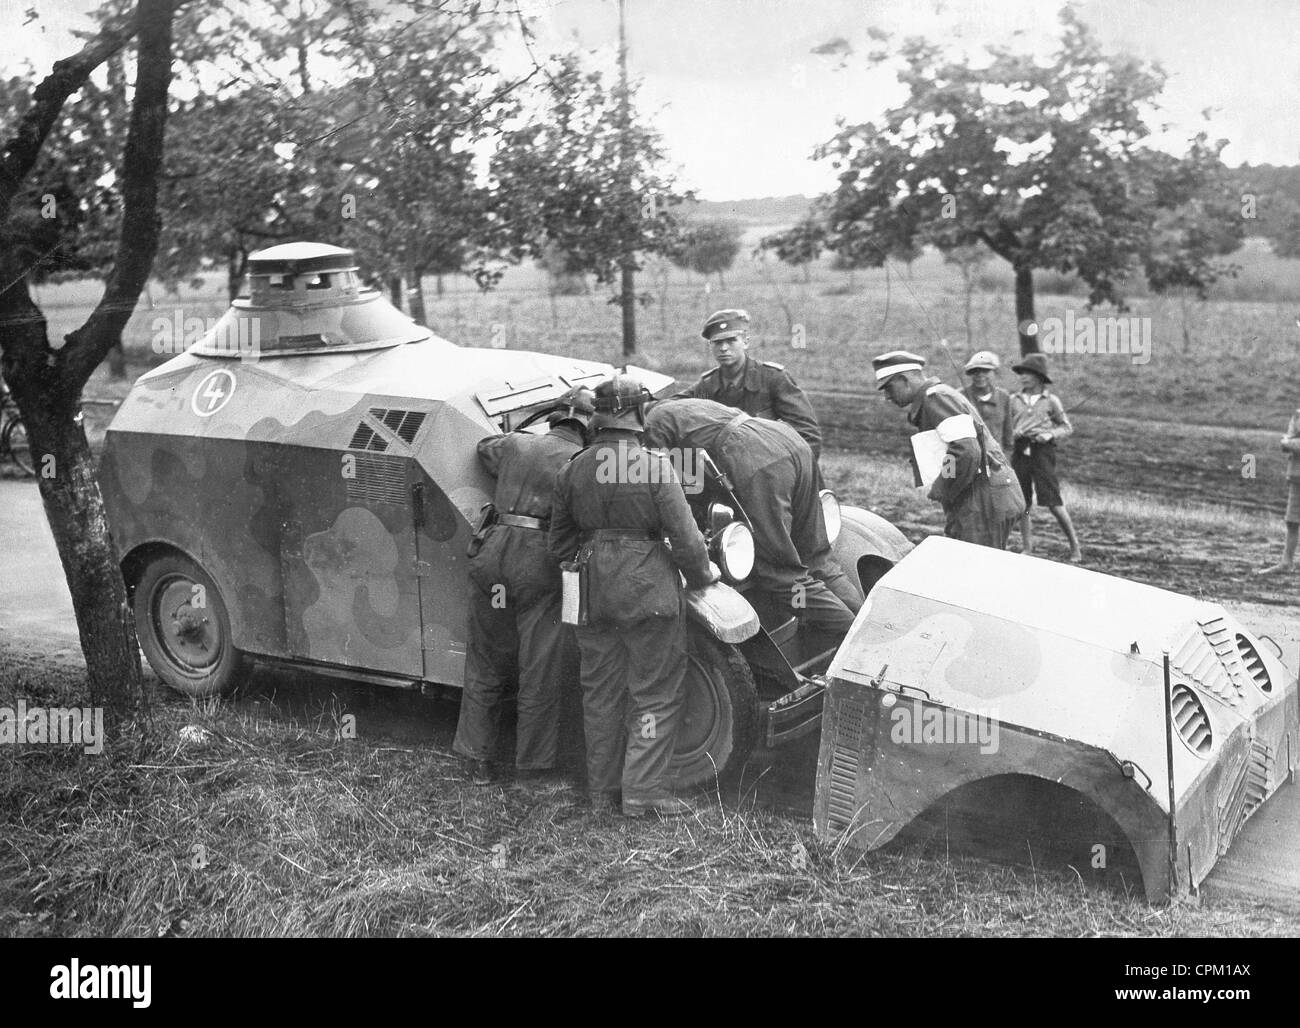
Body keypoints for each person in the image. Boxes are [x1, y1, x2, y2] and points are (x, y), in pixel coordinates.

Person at [549, 375, 717, 818]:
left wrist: (592, 560)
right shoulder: (655, 465)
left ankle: (602, 793)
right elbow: (686, 539)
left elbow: (559, 544)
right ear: (638, 413)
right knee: (655, 692)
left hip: (589, 595)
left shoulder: (573, 467)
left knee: (600, 693)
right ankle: (643, 794)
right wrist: (702, 574)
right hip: (648, 592)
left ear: (602, 416)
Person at [452, 387, 594, 785]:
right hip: (539, 563)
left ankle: (476, 761)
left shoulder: (516, 444)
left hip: (492, 553)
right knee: (539, 666)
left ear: (555, 418)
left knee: (484, 659)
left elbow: (484, 447)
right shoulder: (581, 461)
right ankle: (531, 770)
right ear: (587, 427)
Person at [643, 397, 862, 635]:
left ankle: (847, 634)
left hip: (756, 462)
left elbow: (665, 490)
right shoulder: (683, 408)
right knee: (818, 558)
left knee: (783, 576)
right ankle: (866, 627)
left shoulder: (651, 424)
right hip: (788, 442)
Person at [874, 349, 1024, 549]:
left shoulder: (936, 398)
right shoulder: (936, 396)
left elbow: (965, 450)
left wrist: (942, 487)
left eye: (889, 388)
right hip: (981, 495)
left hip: (982, 499)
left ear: (904, 379)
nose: (887, 396)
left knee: (975, 568)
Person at [682, 308, 823, 460]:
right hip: (726, 472)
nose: (723, 348)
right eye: (717, 342)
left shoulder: (773, 378)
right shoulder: (707, 386)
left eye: (731, 341)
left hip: (771, 465)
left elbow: (808, 435)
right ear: (711, 346)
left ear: (746, 342)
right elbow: (677, 404)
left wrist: (788, 470)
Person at [1009, 353, 1083, 562]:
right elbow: (1006, 426)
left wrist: (1049, 434)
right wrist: (1013, 433)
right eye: (1021, 373)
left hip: (1043, 452)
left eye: (1028, 374)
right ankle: (1027, 547)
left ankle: (1075, 547)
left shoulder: (1051, 401)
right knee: (1022, 502)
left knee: (1053, 501)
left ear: (1039, 377)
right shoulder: (1013, 400)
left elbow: (1066, 427)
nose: (1023, 377)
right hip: (1020, 451)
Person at [1259, 406, 1300, 575]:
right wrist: (1288, 442)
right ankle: (1286, 562)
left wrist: (1289, 442)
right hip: (1297, 475)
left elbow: (1288, 441)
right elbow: (1288, 440)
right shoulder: (1298, 414)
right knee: (1292, 520)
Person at [961, 350, 1015, 454]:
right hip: (970, 457)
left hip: (996, 458)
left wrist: (1006, 461)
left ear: (995, 372)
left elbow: (1008, 435)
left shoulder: (1003, 397)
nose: (979, 375)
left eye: (985, 371)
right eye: (975, 371)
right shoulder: (960, 396)